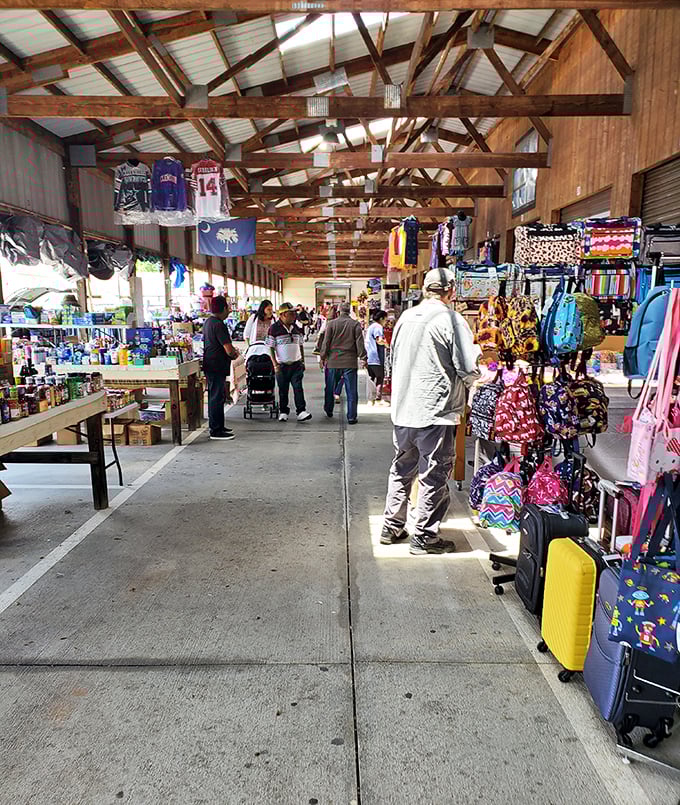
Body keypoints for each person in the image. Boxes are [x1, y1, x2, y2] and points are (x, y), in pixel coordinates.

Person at [381, 267, 481, 555]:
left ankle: (392, 525)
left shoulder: (405, 317)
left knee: (402, 468)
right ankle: (424, 535)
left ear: (425, 289)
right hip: (435, 409)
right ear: (450, 291)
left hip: (404, 409)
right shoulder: (451, 318)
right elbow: (467, 365)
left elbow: (393, 360)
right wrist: (477, 379)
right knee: (433, 472)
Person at [320, 301, 367, 425]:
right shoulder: (355, 324)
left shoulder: (331, 324)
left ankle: (329, 409)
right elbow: (359, 343)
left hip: (333, 362)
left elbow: (326, 343)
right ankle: (351, 416)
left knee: (330, 387)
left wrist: (322, 357)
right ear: (349, 311)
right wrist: (363, 357)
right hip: (349, 362)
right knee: (351, 390)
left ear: (339, 311)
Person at [202, 295, 240, 441]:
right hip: (216, 365)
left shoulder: (208, 322)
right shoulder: (219, 325)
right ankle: (216, 430)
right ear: (223, 308)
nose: (229, 311)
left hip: (212, 364)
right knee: (216, 397)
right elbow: (228, 349)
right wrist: (234, 354)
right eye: (228, 308)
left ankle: (219, 426)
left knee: (217, 396)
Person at [266, 302, 312, 423]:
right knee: (283, 390)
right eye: (292, 313)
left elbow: (300, 345)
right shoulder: (274, 329)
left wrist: (302, 361)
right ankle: (283, 411)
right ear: (284, 314)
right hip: (282, 365)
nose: (294, 316)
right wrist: (275, 364)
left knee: (298, 388)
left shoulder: (296, 328)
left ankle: (301, 411)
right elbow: (270, 347)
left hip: (296, 364)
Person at [365, 309, 388, 404]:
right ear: (381, 318)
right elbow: (379, 340)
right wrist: (387, 345)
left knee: (371, 378)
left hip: (369, 356)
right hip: (376, 357)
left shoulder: (370, 327)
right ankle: (378, 399)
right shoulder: (378, 327)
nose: (386, 322)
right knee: (379, 377)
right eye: (385, 320)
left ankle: (371, 400)